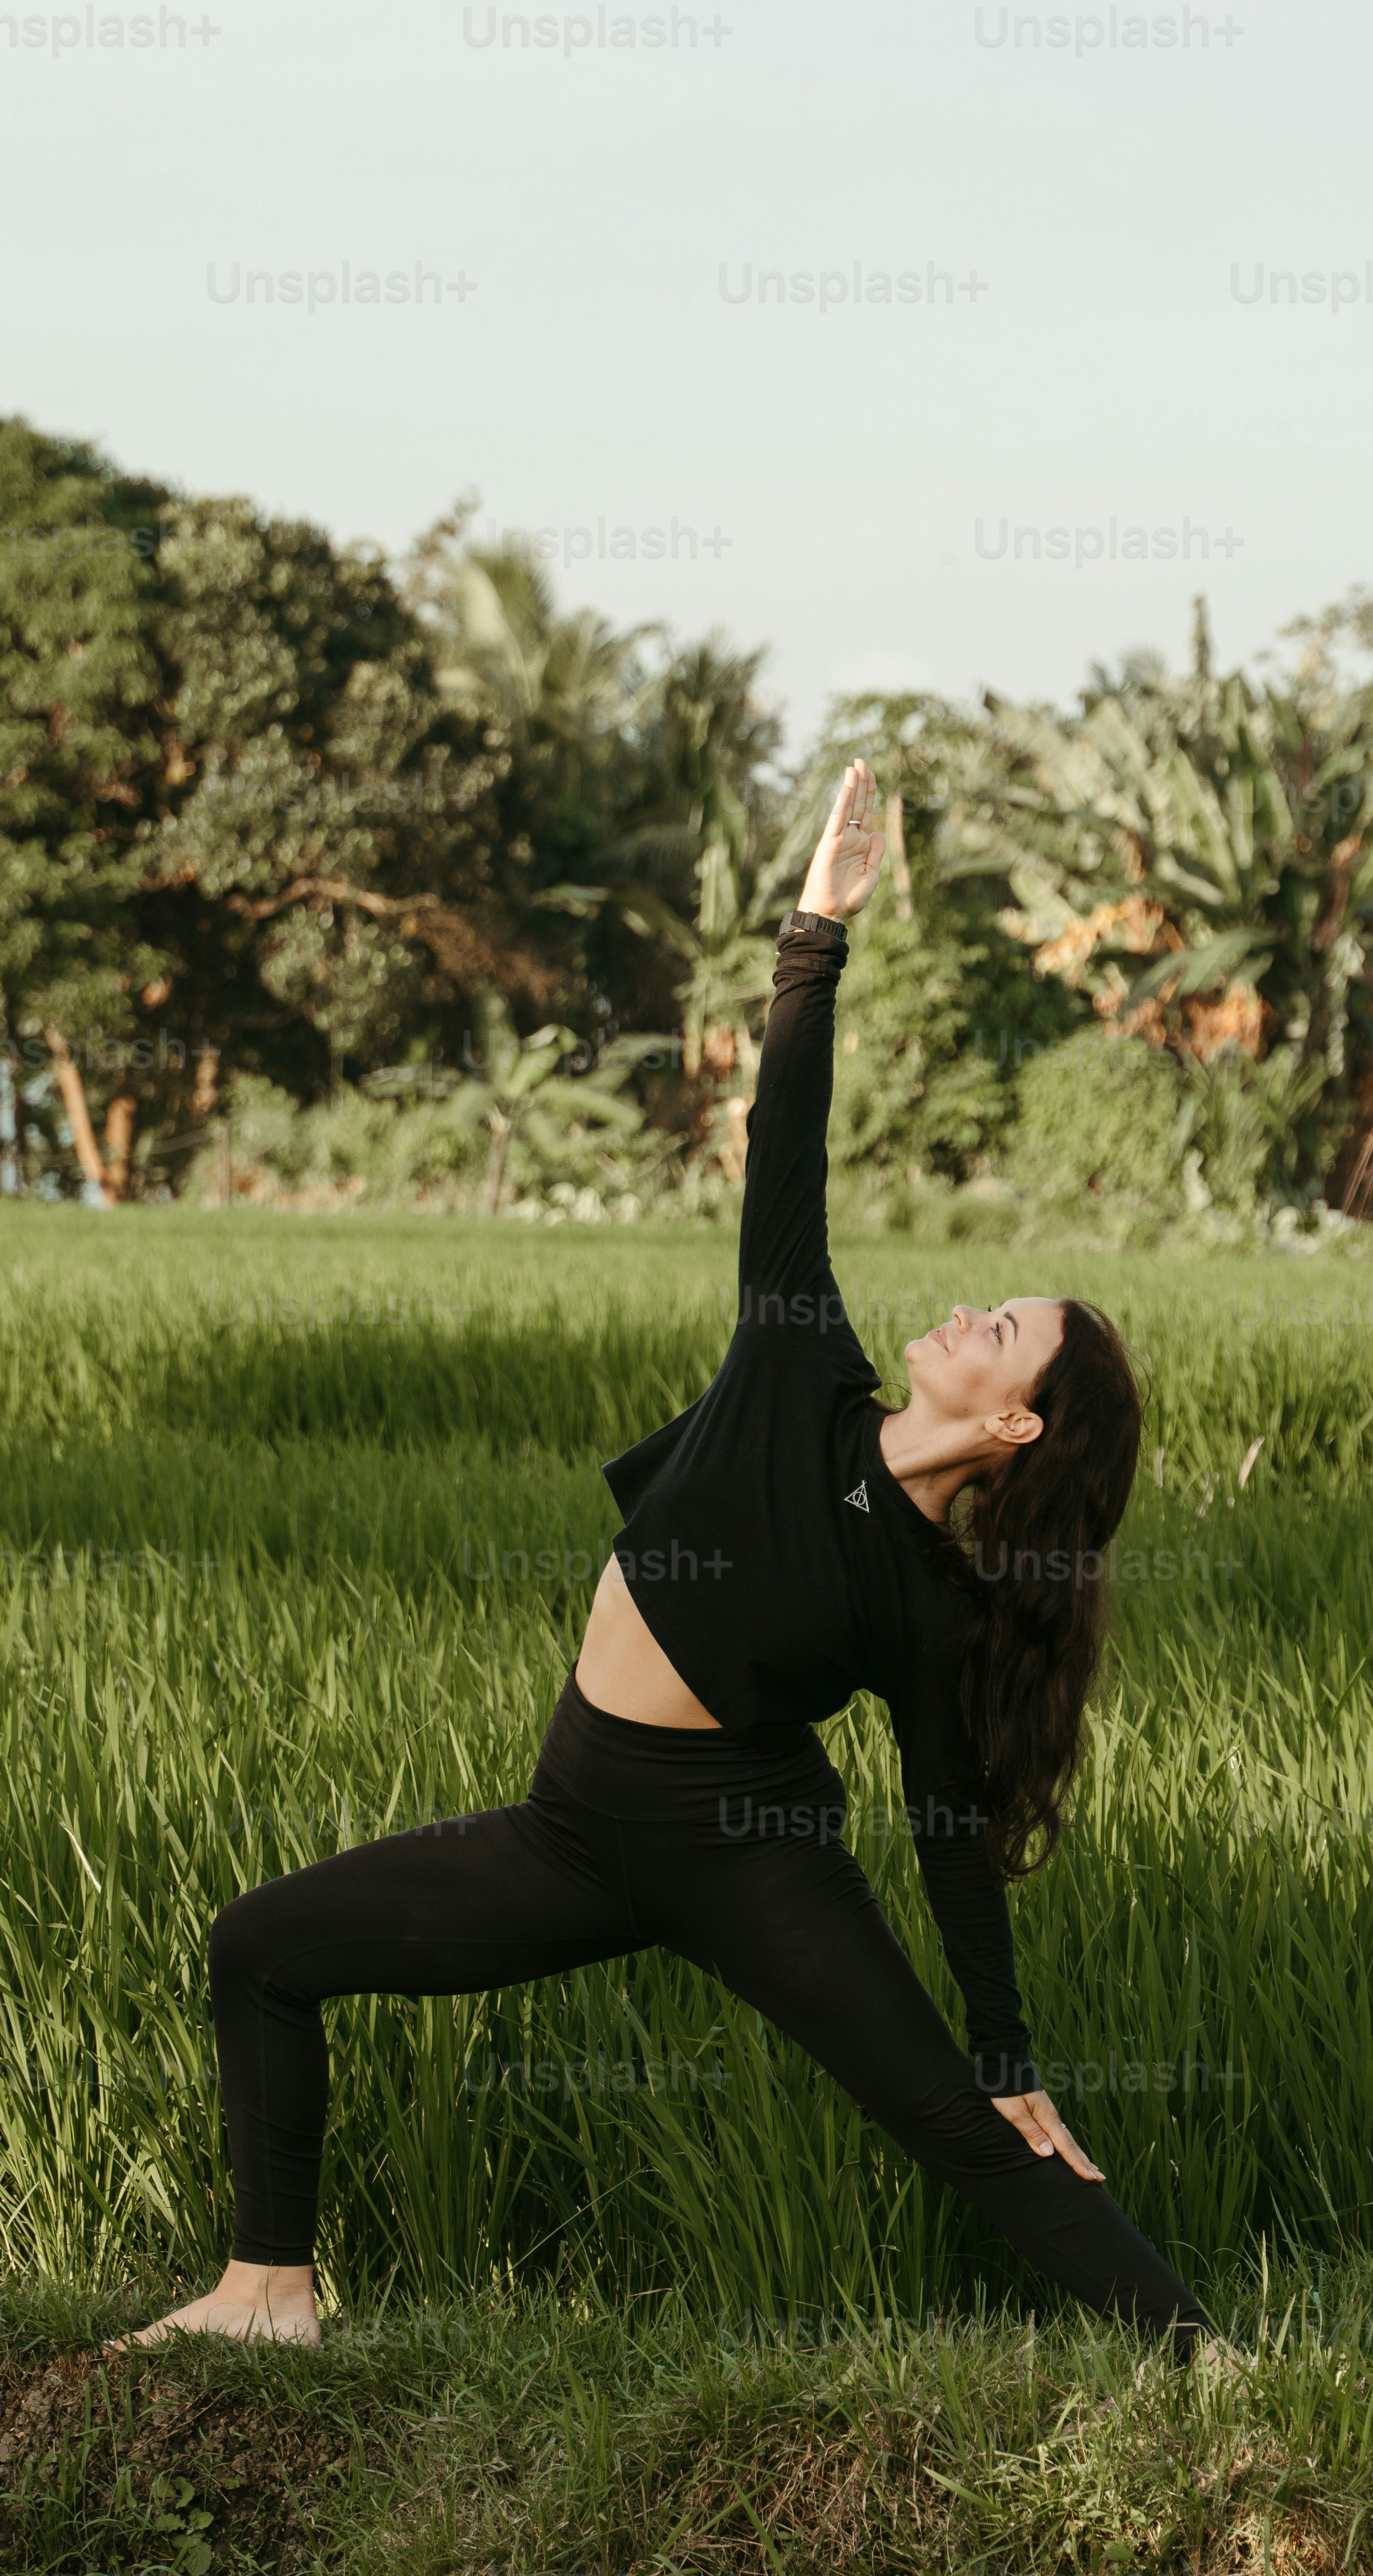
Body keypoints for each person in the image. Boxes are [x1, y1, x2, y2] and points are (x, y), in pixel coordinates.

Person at [114, 757, 1208, 2358]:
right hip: (572, 1827)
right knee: (263, 1949)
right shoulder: (795, 1359)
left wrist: (1004, 2046)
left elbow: (949, 1828)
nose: (969, 1311)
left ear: (1016, 1425)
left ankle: (1207, 2361)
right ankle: (268, 2292)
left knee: (971, 2129)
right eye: (992, 1302)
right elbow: (788, 1141)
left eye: (1003, 1330)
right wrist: (816, 931)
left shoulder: (933, 1603)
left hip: (742, 1853)